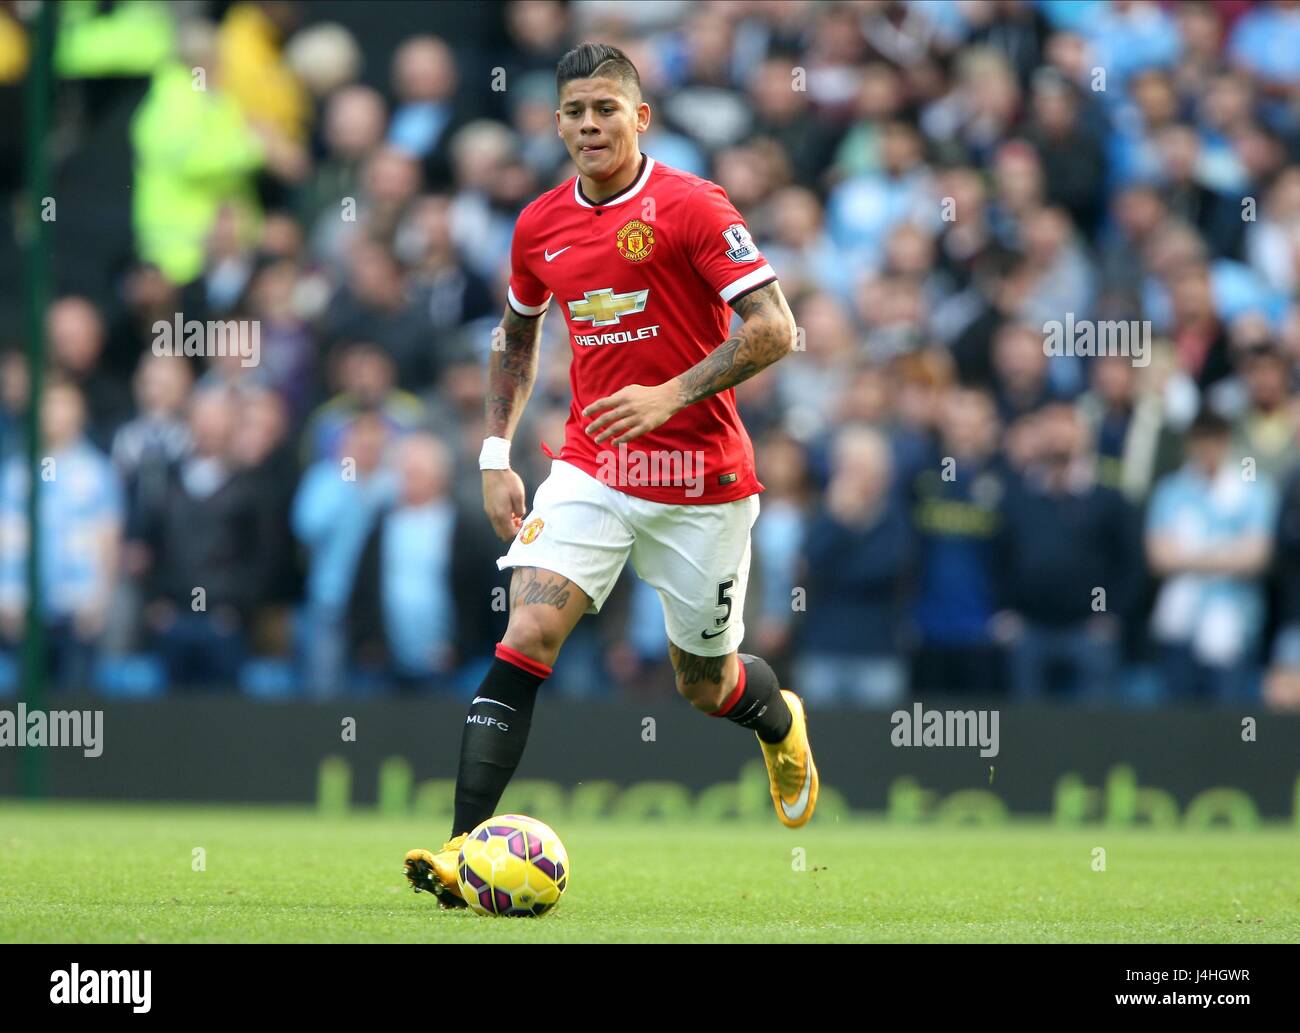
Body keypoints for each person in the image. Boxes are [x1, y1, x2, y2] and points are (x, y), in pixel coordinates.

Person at [405, 42, 813, 908]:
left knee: (705, 684)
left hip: (701, 475)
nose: (590, 125)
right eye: (575, 112)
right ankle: (456, 851)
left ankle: (778, 721)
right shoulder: (539, 225)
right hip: (592, 465)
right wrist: (493, 452)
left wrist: (672, 393)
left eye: (607, 110)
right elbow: (516, 335)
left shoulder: (692, 205)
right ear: (556, 124)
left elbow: (776, 328)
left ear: (641, 118)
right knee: (527, 634)